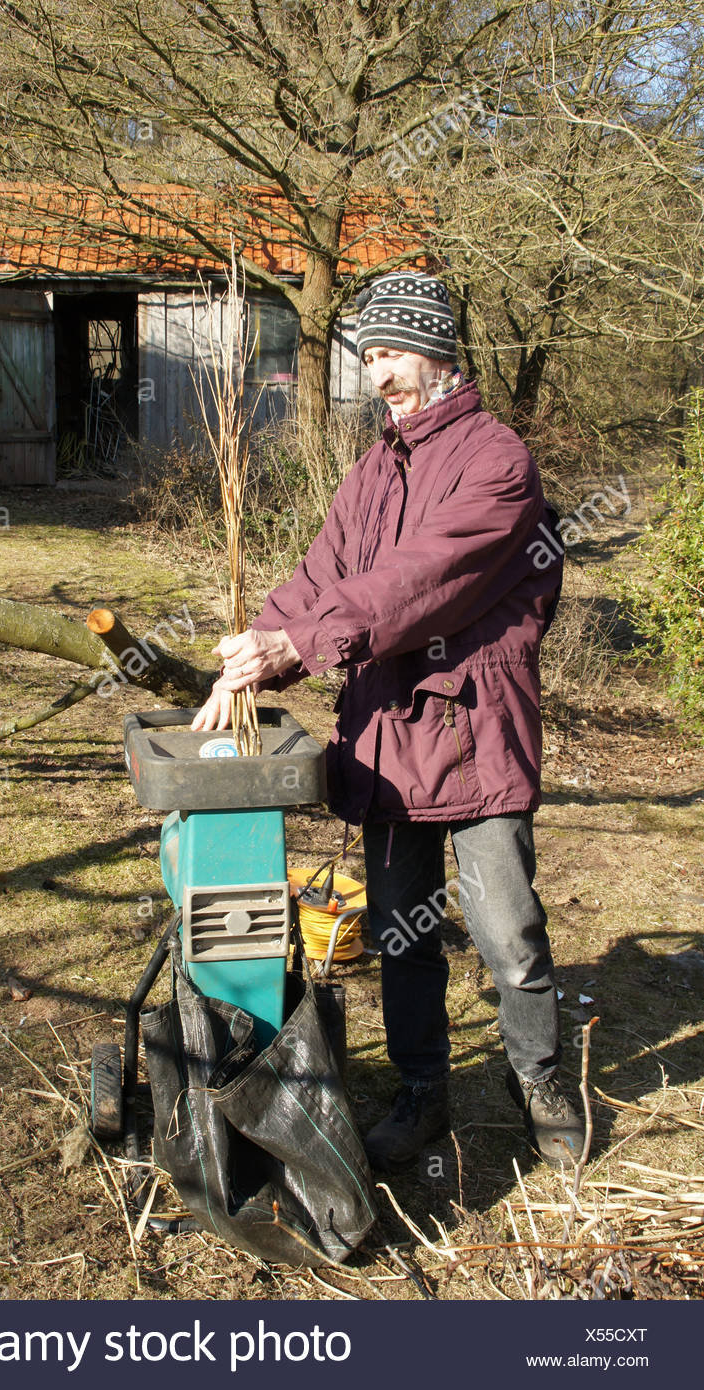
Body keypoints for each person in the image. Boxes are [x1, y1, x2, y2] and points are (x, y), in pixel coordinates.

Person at [191, 270, 584, 1173]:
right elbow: (325, 569)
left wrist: (297, 644)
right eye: (367, 355)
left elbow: (418, 581)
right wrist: (255, 640)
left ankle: (542, 1079)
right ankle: (422, 1094)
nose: (378, 373)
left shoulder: (497, 462)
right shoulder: (372, 469)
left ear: (441, 353)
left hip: (476, 731)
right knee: (402, 930)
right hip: (384, 734)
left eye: (393, 352)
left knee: (507, 930)